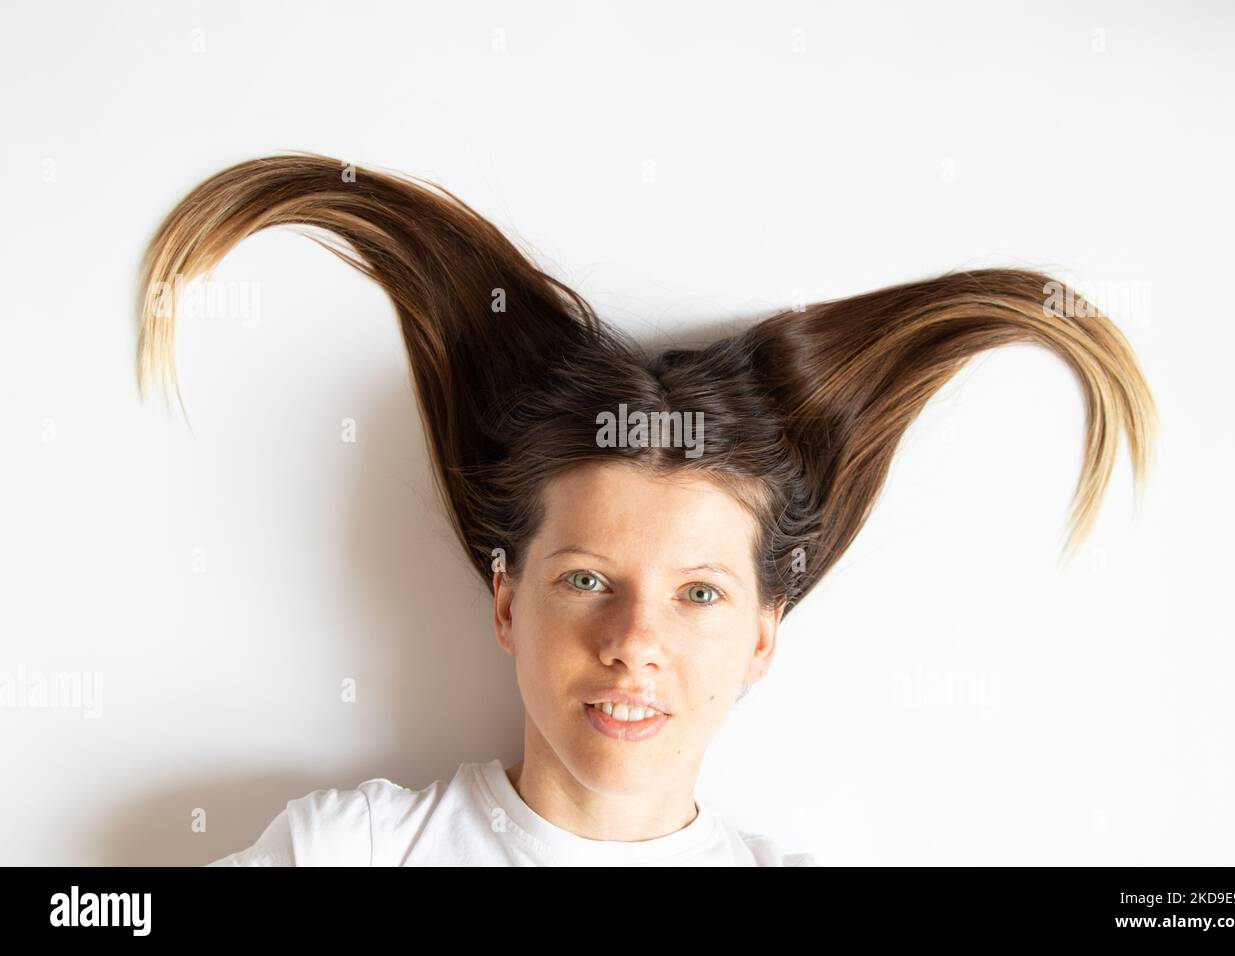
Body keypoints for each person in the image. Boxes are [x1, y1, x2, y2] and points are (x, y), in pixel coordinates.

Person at [137, 153, 1158, 866]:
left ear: (763, 633)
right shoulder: (346, 853)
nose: (633, 642)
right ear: (506, 599)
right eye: (586, 578)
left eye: (700, 593)